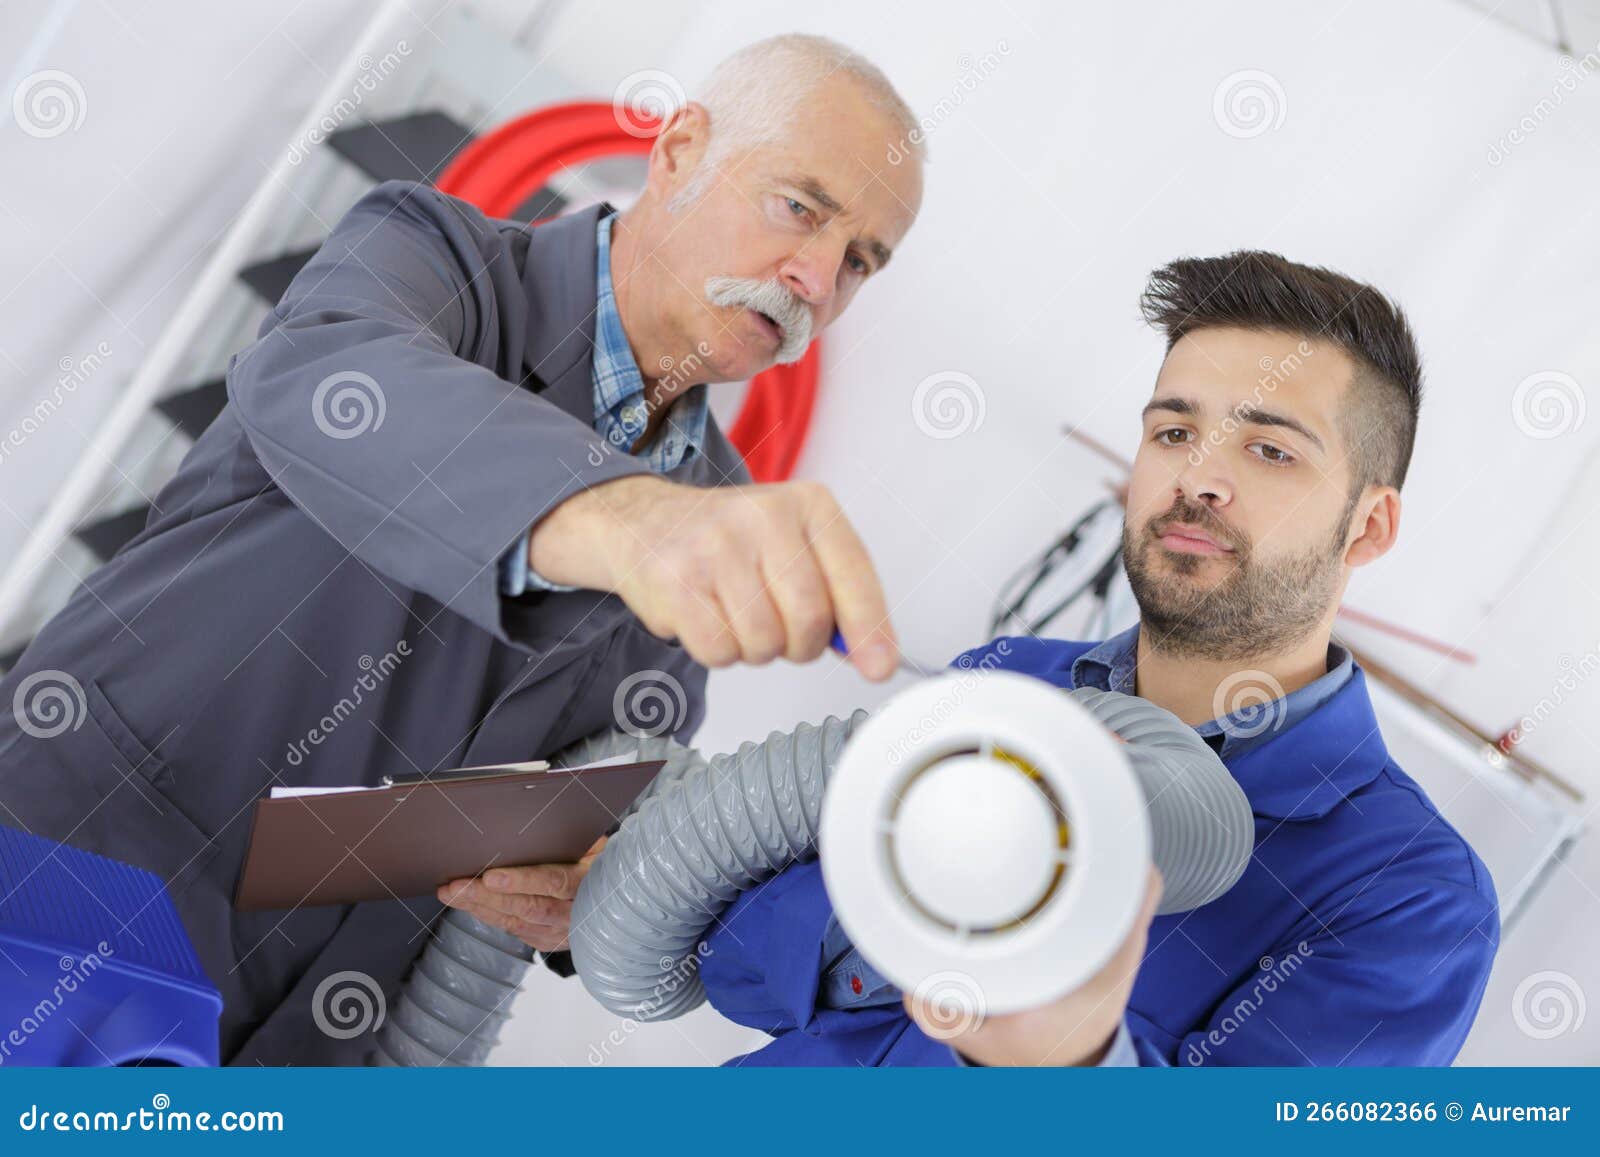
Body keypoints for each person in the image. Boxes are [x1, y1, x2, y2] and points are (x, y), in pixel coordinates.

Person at [0, 34, 922, 1064]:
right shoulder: (435, 257)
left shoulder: (714, 506)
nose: (816, 280)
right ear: (679, 150)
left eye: (861, 262)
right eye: (801, 208)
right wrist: (625, 519)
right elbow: (337, 382)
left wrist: (592, 889)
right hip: (75, 884)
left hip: (301, 1038)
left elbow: (603, 774)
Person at [698, 251, 1499, 1066]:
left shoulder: (1412, 897)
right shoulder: (1007, 681)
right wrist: (890, 941)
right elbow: (736, 971)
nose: (1199, 478)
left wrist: (1070, 1060)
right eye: (1175, 432)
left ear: (1368, 527)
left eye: (1269, 450)